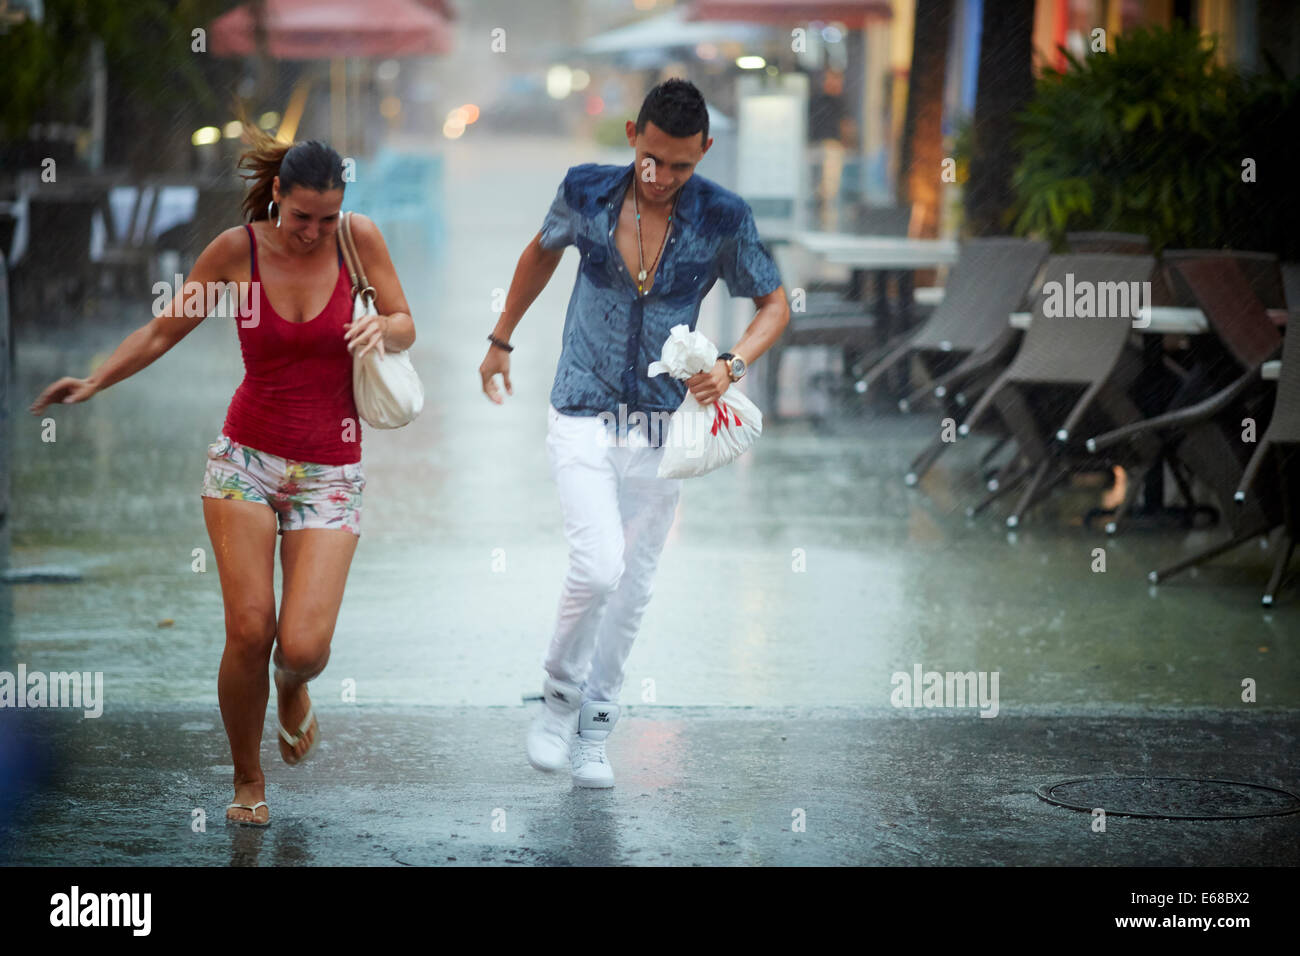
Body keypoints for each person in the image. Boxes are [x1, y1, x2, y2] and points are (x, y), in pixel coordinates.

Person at [29, 127, 416, 826]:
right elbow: (161, 330)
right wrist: (94, 381)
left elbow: (404, 322)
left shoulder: (358, 240)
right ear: (277, 195)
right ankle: (247, 779)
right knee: (249, 627)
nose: (313, 232)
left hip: (332, 470)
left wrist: (382, 330)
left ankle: (293, 688)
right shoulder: (237, 251)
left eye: (326, 218)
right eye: (302, 217)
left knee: (303, 647)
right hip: (245, 461)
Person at [479, 79, 790, 788]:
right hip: (581, 408)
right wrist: (501, 339)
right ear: (631, 135)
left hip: (663, 429)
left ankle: (597, 723)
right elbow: (540, 252)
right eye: (653, 159)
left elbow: (773, 303)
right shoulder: (586, 191)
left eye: (681, 165)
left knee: (634, 585)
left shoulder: (722, 216)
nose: (663, 177)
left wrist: (734, 362)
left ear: (704, 152)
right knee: (598, 567)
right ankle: (558, 698)